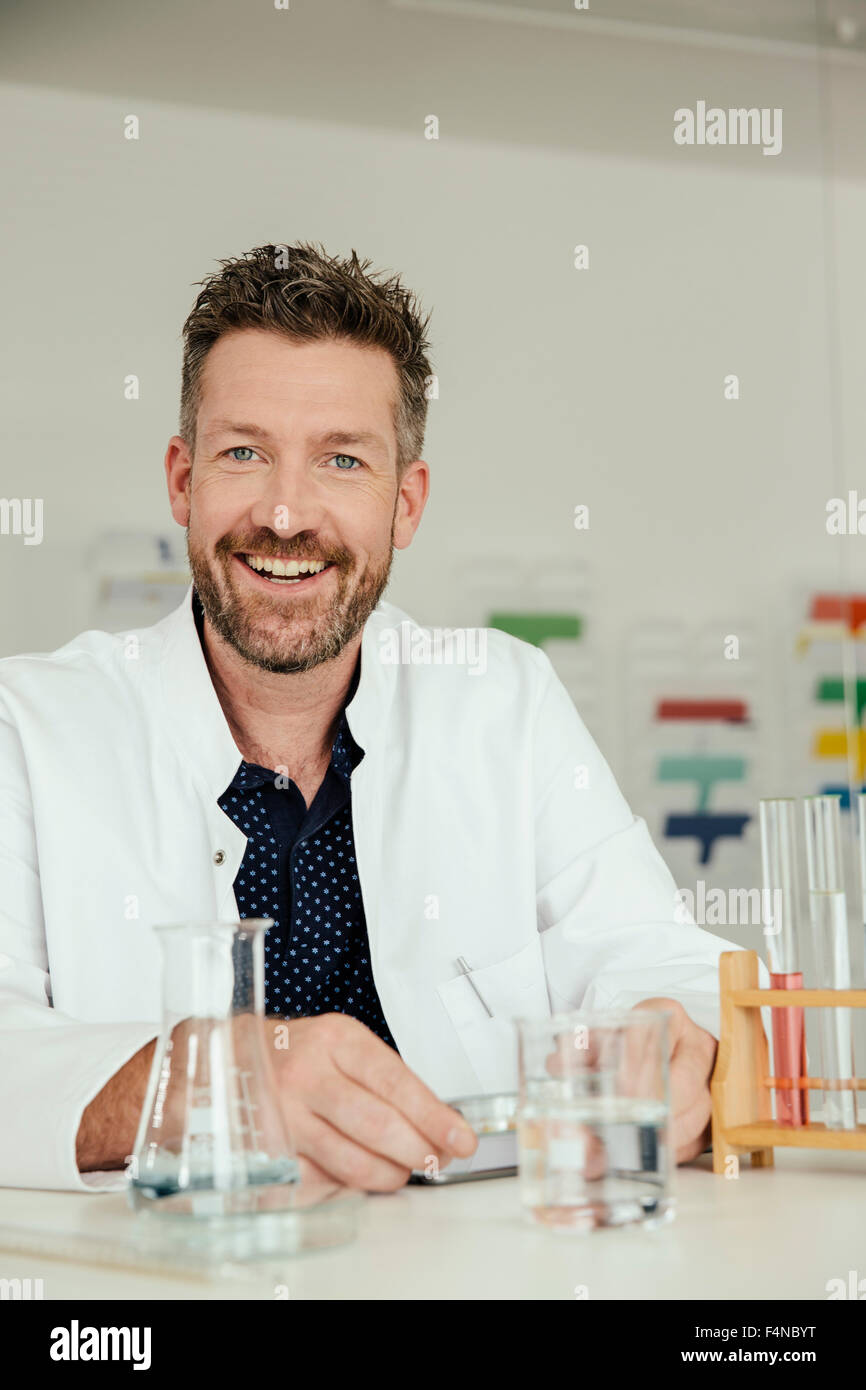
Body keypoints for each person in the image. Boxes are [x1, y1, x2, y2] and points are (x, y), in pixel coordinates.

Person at [0, 242, 741, 1195]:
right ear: (182, 481)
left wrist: (678, 1032)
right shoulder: (27, 732)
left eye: (342, 460)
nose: (284, 511)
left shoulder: (501, 700)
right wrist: (212, 1081)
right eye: (244, 452)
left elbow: (657, 953)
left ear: (406, 502)